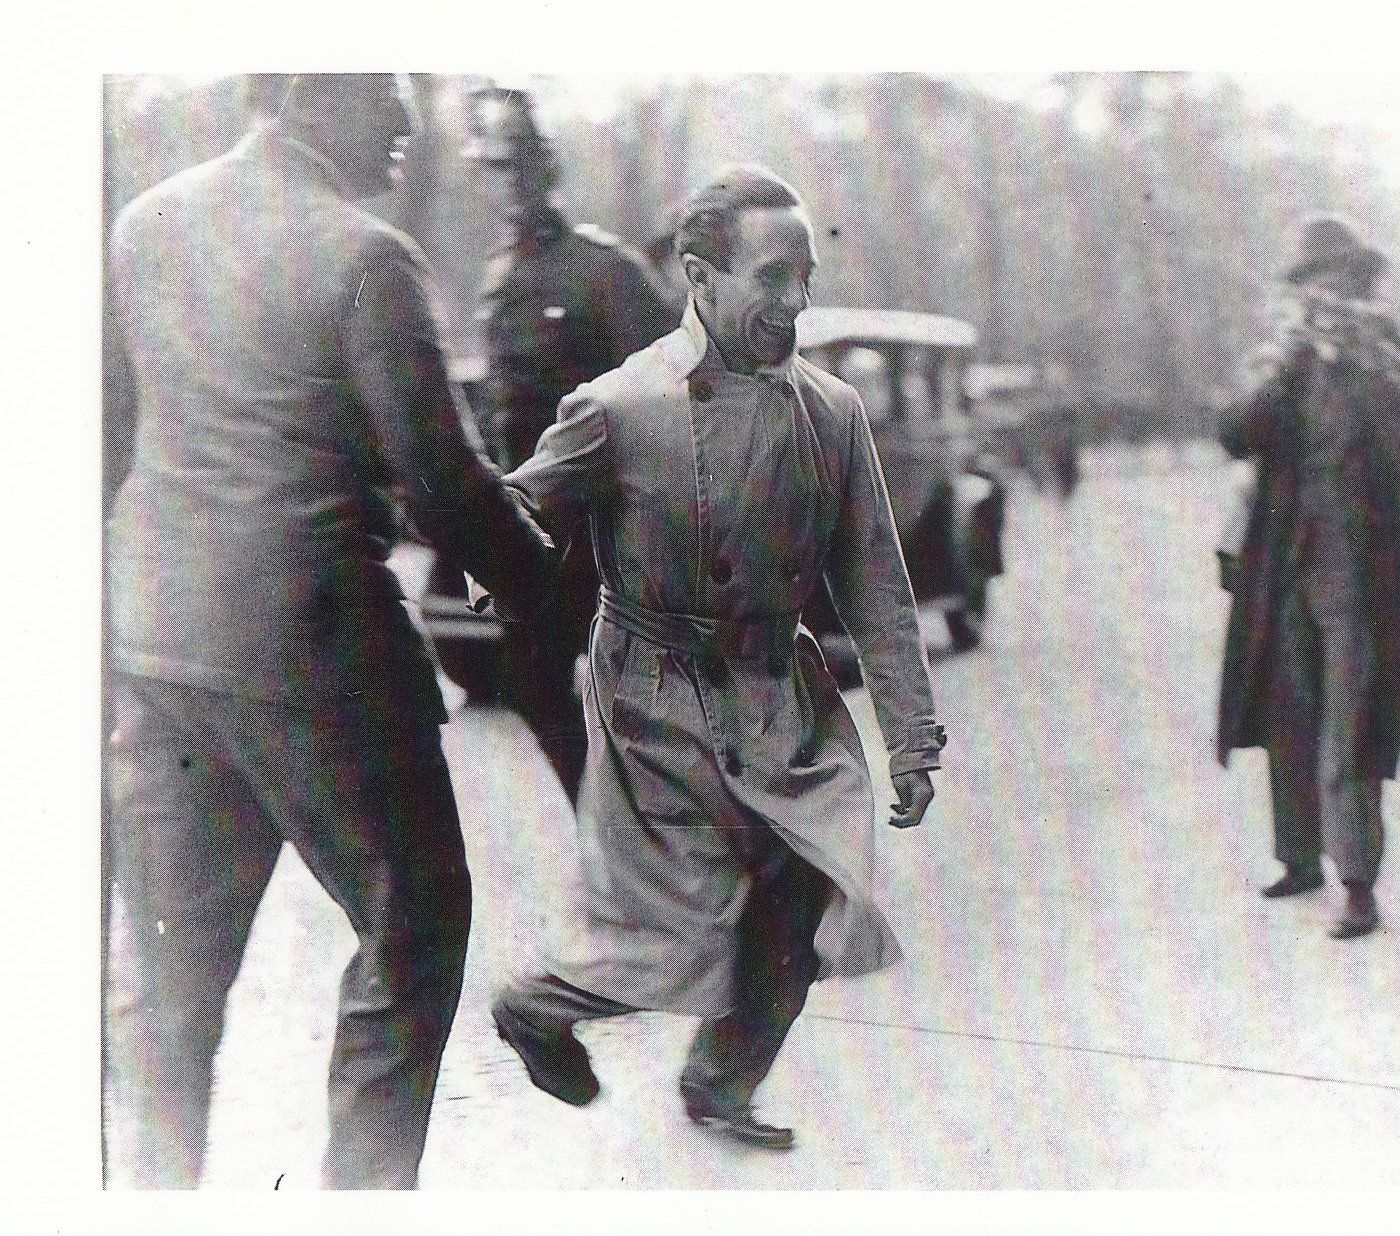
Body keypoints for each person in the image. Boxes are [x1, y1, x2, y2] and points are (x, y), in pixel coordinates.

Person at [104, 73, 557, 1188]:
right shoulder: (365, 255)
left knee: (167, 977)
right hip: (315, 647)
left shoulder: (146, 224)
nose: (406, 125)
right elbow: (441, 480)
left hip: (159, 646)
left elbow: (101, 442)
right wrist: (555, 592)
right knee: (415, 920)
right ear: (311, 92)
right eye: (383, 95)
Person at [488, 165, 945, 1149]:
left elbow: (876, 582)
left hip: (778, 688)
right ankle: (540, 1006)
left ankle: (721, 1081)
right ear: (699, 277)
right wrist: (501, 566)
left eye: (805, 276)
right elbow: (520, 500)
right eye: (772, 277)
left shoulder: (832, 413)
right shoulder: (619, 404)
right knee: (684, 914)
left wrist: (912, 737)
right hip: (651, 694)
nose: (796, 301)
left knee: (809, 880)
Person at [1216, 214, 1400, 940]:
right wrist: (1284, 370)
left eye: (1338, 284)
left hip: (1361, 576)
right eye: (1313, 286)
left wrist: (1370, 370)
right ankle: (1299, 856)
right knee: (1288, 713)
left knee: (1351, 723)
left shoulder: (1387, 356)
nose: (1324, 298)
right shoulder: (1283, 358)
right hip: (1283, 568)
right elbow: (1234, 435)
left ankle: (1358, 885)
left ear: (1360, 289)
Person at [463, 85, 678, 801]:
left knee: (649, 701)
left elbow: (670, 386)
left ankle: (647, 832)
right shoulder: (502, 281)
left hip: (614, 523)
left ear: (545, 169)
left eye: (517, 166)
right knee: (530, 674)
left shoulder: (603, 270)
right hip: (538, 524)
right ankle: (604, 822)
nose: (506, 185)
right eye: (492, 169)